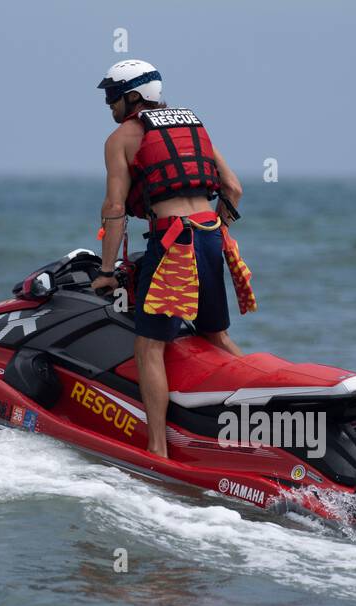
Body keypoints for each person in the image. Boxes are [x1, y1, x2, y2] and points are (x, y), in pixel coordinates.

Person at [88, 59, 255, 459]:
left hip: (172, 244)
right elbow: (233, 189)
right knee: (216, 335)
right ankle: (265, 404)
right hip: (211, 236)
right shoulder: (194, 126)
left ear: (133, 97)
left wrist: (107, 272)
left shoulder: (121, 138)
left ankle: (158, 450)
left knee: (149, 346)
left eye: (113, 96)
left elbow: (113, 209)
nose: (109, 105)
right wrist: (218, 225)